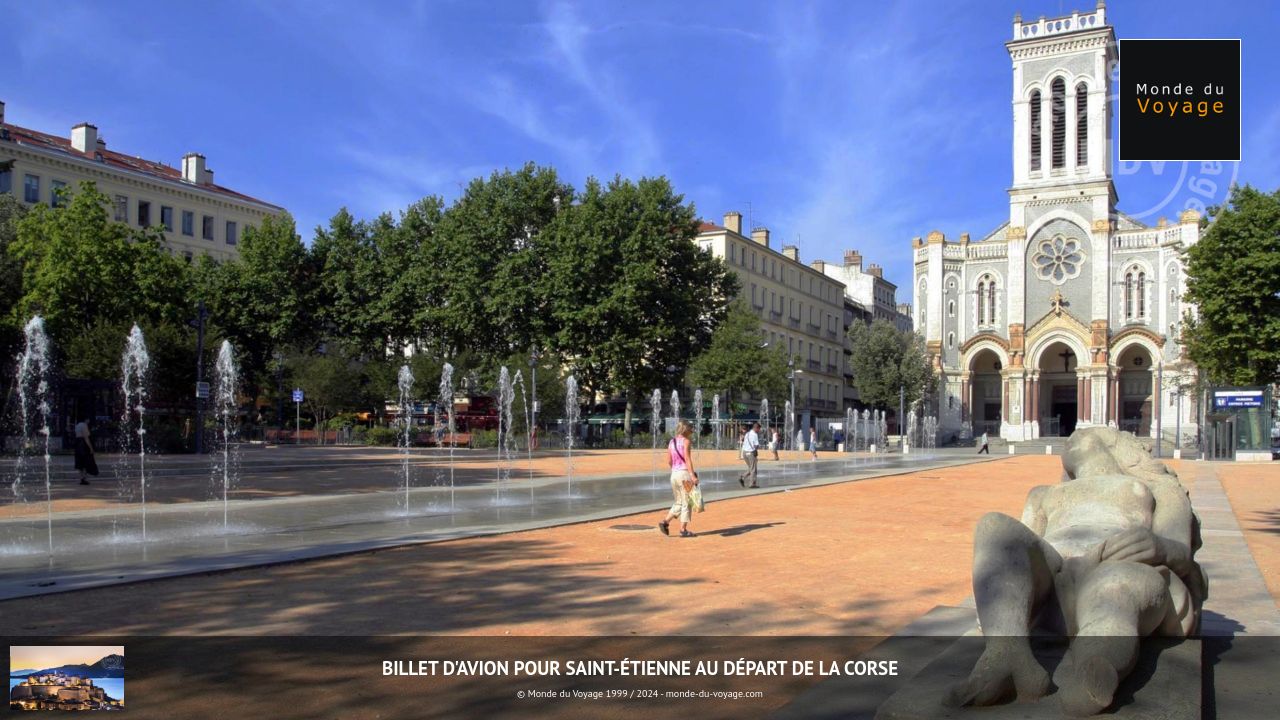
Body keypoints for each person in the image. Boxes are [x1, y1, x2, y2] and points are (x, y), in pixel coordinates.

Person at [950, 427, 1206, 715]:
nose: (1074, 437)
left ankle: (1095, 669)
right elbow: (1022, 549)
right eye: (1070, 437)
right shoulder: (1043, 494)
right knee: (993, 526)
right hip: (1053, 578)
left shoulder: (1158, 488)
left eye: (1084, 433)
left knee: (1116, 588)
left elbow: (1181, 552)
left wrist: (1159, 546)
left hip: (1116, 565)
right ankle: (1007, 656)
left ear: (1117, 444)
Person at [658, 420, 699, 538]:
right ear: (686, 430)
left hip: (674, 474)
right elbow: (687, 459)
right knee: (687, 502)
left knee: (679, 502)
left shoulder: (671, 442)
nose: (692, 431)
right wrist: (692, 475)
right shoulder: (686, 442)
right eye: (691, 429)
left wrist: (675, 469)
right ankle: (683, 529)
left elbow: (669, 461)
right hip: (684, 475)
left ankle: (665, 522)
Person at [73, 418, 98, 485]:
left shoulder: (77, 425)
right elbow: (86, 438)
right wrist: (91, 448)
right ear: (86, 419)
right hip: (83, 445)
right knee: (86, 461)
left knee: (80, 462)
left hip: (78, 444)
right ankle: (84, 478)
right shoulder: (84, 425)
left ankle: (81, 477)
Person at [738, 422, 761, 488]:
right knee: (753, 469)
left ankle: (742, 477)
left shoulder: (747, 433)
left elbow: (744, 442)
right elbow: (756, 445)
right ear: (756, 428)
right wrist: (756, 450)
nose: (759, 431)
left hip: (745, 453)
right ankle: (752, 484)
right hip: (751, 453)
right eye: (758, 429)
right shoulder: (755, 434)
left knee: (751, 468)